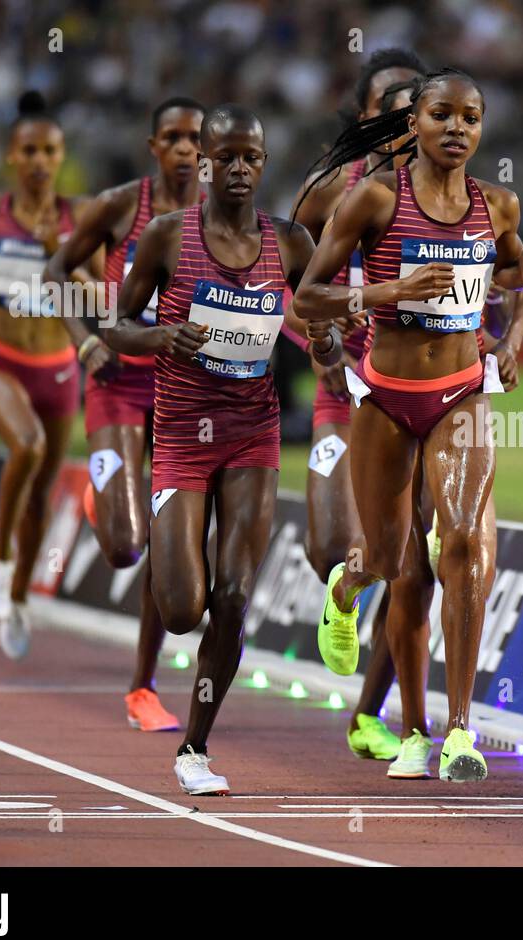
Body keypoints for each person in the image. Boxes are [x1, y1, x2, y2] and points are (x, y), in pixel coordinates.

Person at [296, 68, 523, 783]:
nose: (457, 129)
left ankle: (461, 731)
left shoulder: (497, 204)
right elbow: (311, 297)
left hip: (461, 395)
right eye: (441, 114)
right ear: (414, 124)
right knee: (391, 562)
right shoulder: (374, 199)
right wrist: (389, 289)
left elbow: (505, 278)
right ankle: (352, 602)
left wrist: (522, 283)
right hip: (385, 400)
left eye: (470, 117)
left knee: (465, 540)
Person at [103, 104, 316, 796]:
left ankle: (195, 745)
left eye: (249, 157)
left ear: (263, 163)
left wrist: (335, 348)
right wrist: (160, 339)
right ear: (205, 165)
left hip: (252, 434)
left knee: (232, 595)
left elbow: (320, 316)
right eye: (223, 157)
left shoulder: (289, 241)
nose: (236, 169)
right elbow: (116, 324)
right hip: (181, 435)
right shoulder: (167, 237)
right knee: (182, 609)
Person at [43, 96, 206, 732]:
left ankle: (142, 687)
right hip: (116, 381)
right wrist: (83, 341)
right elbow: (56, 268)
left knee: (166, 545)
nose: (187, 149)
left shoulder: (220, 216)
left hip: (182, 391)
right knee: (123, 546)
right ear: (153, 147)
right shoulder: (119, 205)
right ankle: (99, 494)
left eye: (197, 138)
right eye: (174, 137)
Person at [290, 51, 425, 762]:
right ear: (365, 115)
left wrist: (507, 338)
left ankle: (371, 716)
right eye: (389, 109)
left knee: (411, 562)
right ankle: (342, 589)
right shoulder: (333, 189)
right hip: (349, 389)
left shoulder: (450, 187)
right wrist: (323, 347)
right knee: (329, 547)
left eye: (415, 107)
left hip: (429, 393)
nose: (402, 122)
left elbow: (499, 271)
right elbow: (286, 282)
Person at [0, 91, 100, 659]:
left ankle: (17, 597)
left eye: (49, 151)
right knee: (26, 446)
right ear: (12, 155)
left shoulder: (80, 217)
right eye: (28, 150)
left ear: (60, 156)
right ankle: (0, 552)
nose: (38, 161)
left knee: (41, 492)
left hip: (56, 369)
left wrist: (68, 258)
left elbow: (106, 295)